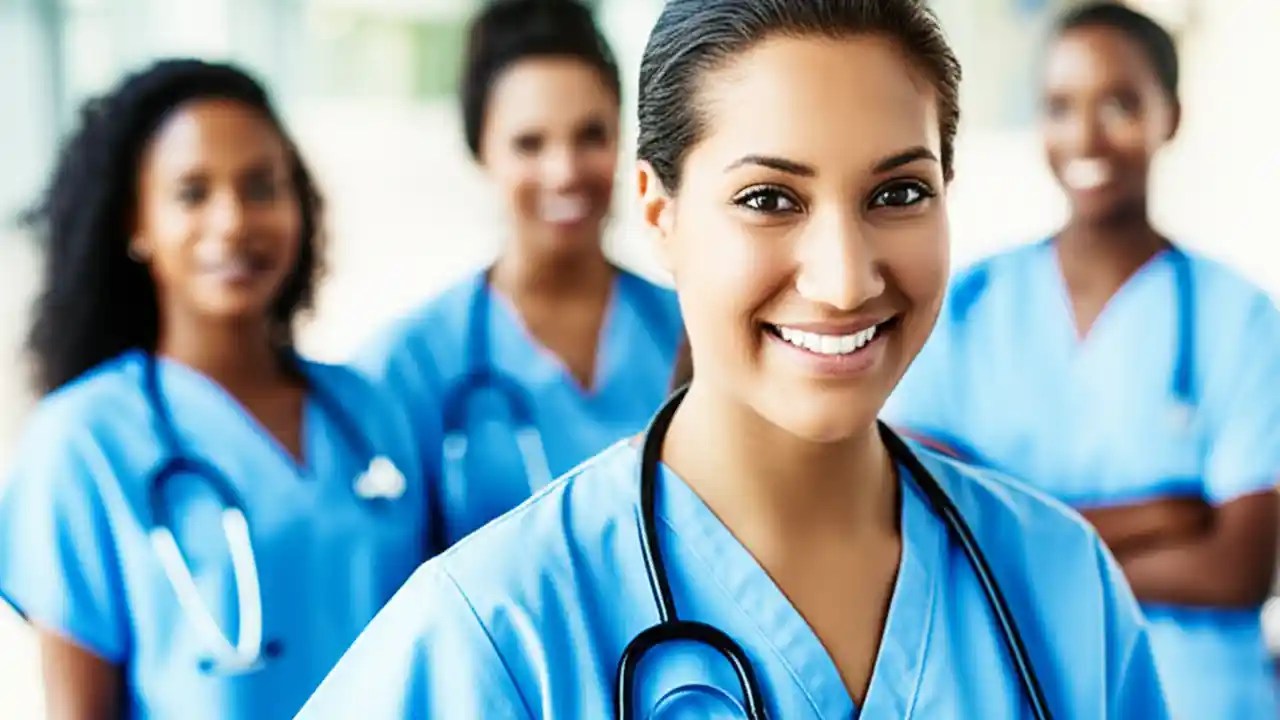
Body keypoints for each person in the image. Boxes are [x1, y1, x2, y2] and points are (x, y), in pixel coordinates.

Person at [298, 1, 1171, 717]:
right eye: (769, 199)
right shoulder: (501, 628)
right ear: (659, 212)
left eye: (899, 191)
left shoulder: (1061, 585)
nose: (844, 279)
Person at [0, 60, 429, 719]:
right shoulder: (82, 441)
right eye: (192, 193)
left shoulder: (370, 412)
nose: (232, 221)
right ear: (136, 222)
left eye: (261, 188)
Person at [885, 3, 1280, 717]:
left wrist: (1017, 534)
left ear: (1171, 117)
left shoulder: (1239, 318)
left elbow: (1237, 569)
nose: (1086, 135)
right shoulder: (968, 305)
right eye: (1061, 106)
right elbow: (927, 522)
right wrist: (1163, 514)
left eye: (1120, 104)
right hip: (1017, 691)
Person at [357, 0, 682, 549]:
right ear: (479, 149)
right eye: (529, 143)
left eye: (591, 136)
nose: (564, 171)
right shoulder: (411, 364)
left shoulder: (690, 329)